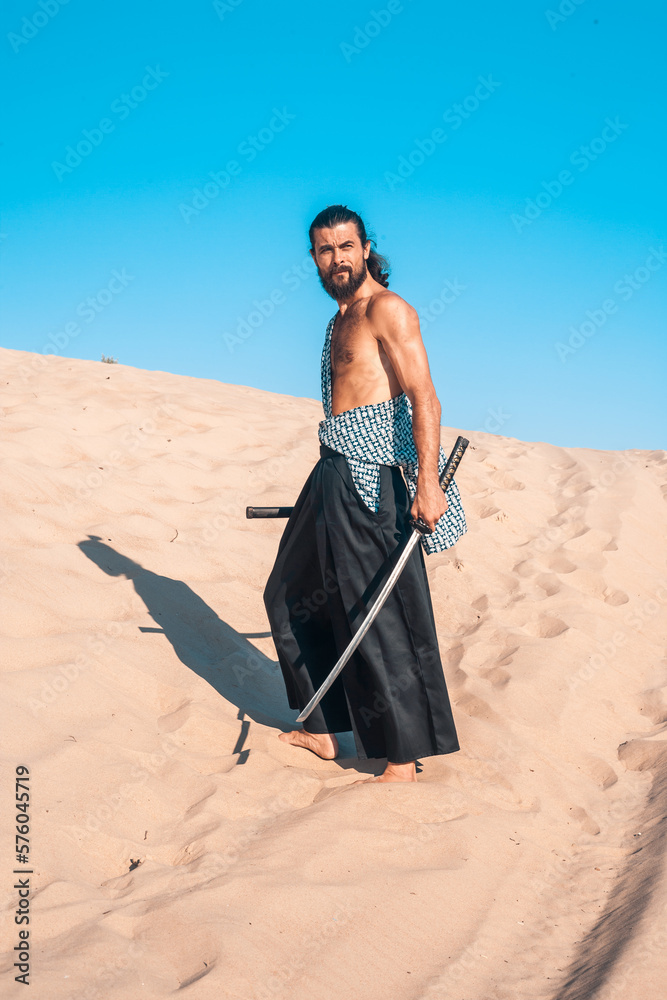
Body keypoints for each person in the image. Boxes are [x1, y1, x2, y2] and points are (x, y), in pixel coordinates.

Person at [263, 205, 467, 783]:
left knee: (376, 608)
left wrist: (427, 483)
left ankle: (401, 759)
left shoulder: (387, 310)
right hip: (329, 467)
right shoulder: (337, 319)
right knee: (287, 592)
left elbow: (424, 398)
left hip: (370, 474)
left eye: (346, 247)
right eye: (325, 251)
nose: (337, 259)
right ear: (313, 259)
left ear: (366, 246)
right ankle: (325, 728)